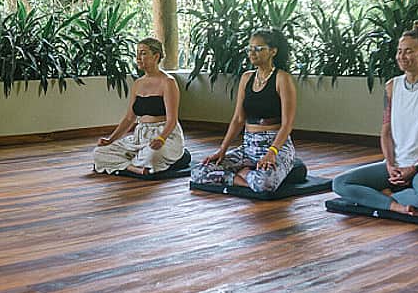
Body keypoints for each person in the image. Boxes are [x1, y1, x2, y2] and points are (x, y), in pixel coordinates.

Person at [332, 22, 418, 216]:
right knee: (340, 183)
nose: (402, 57)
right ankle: (394, 204)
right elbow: (386, 131)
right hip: (397, 163)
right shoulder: (391, 87)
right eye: (399, 51)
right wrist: (389, 164)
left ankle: (378, 197)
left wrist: (415, 167)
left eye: (409, 51)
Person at [190, 29, 299, 192]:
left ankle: (246, 175)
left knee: (264, 184)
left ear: (273, 51)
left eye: (258, 49)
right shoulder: (246, 77)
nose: (252, 53)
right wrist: (222, 150)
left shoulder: (282, 78)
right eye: (250, 49)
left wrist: (272, 152)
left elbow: (287, 124)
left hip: (275, 145)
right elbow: (238, 119)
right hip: (248, 145)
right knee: (199, 172)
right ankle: (245, 176)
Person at [93, 37, 184, 175]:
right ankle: (133, 168)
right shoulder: (138, 84)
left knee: (152, 156)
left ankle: (130, 163)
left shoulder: (168, 82)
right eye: (137, 53)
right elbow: (130, 118)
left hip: (164, 134)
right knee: (99, 152)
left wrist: (161, 138)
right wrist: (110, 139)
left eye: (143, 53)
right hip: (140, 135)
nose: (138, 58)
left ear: (156, 56)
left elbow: (172, 120)